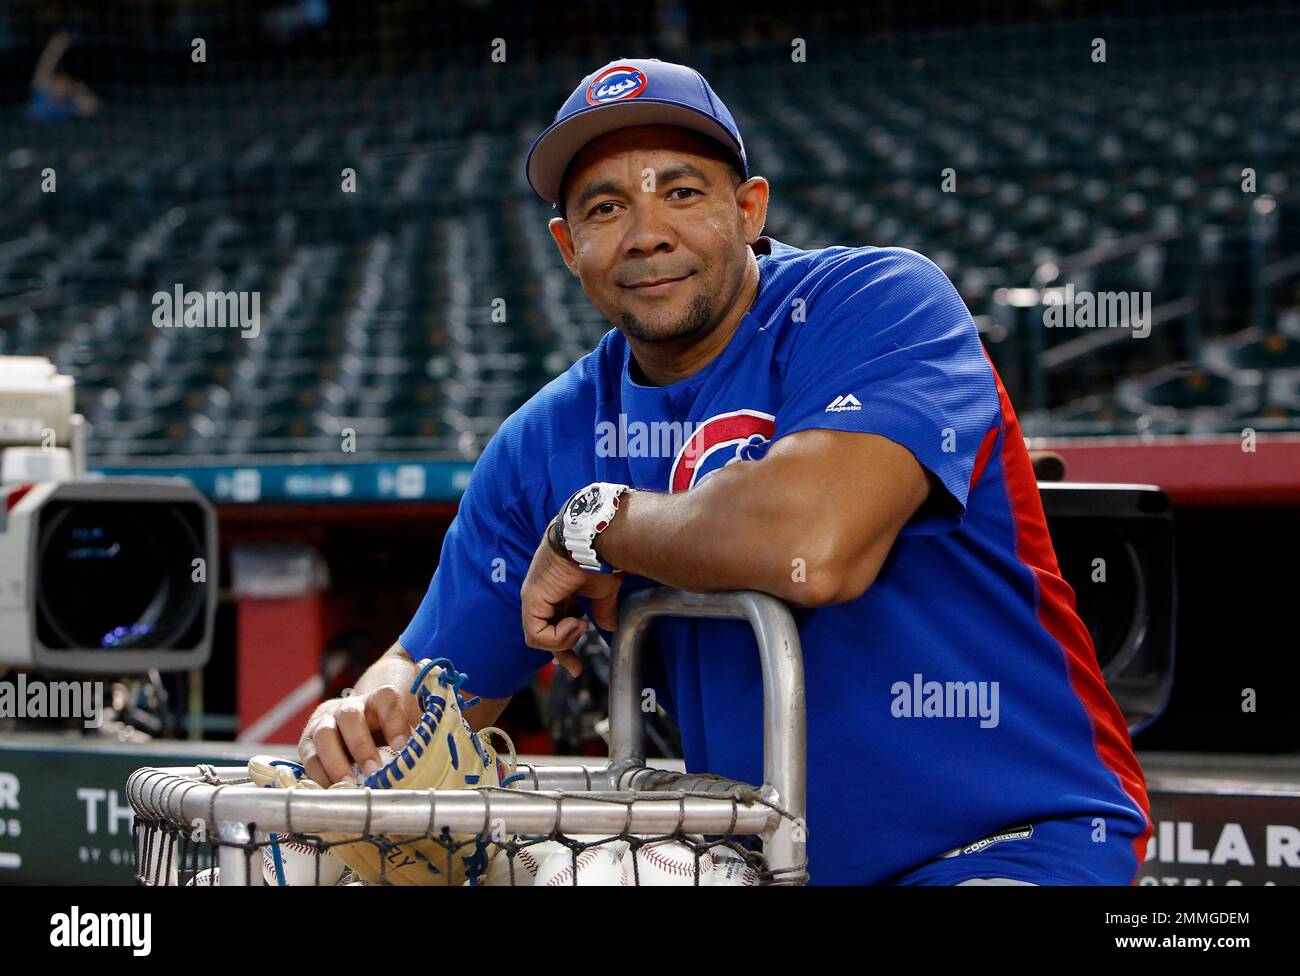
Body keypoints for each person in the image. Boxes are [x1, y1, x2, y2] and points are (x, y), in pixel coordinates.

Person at [299, 58, 1151, 885]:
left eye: (681, 191)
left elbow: (812, 547)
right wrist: (362, 717)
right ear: (569, 247)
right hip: (765, 863)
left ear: (749, 209)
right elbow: (428, 683)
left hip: (1012, 844)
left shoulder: (880, 303)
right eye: (605, 207)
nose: (647, 233)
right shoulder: (545, 441)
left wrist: (598, 525)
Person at [27, 30, 99, 122]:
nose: (61, 88)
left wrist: (79, 91)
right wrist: (56, 46)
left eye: (65, 86)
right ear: (51, 84)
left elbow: (92, 106)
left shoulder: (70, 105)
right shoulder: (41, 94)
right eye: (58, 84)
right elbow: (45, 65)